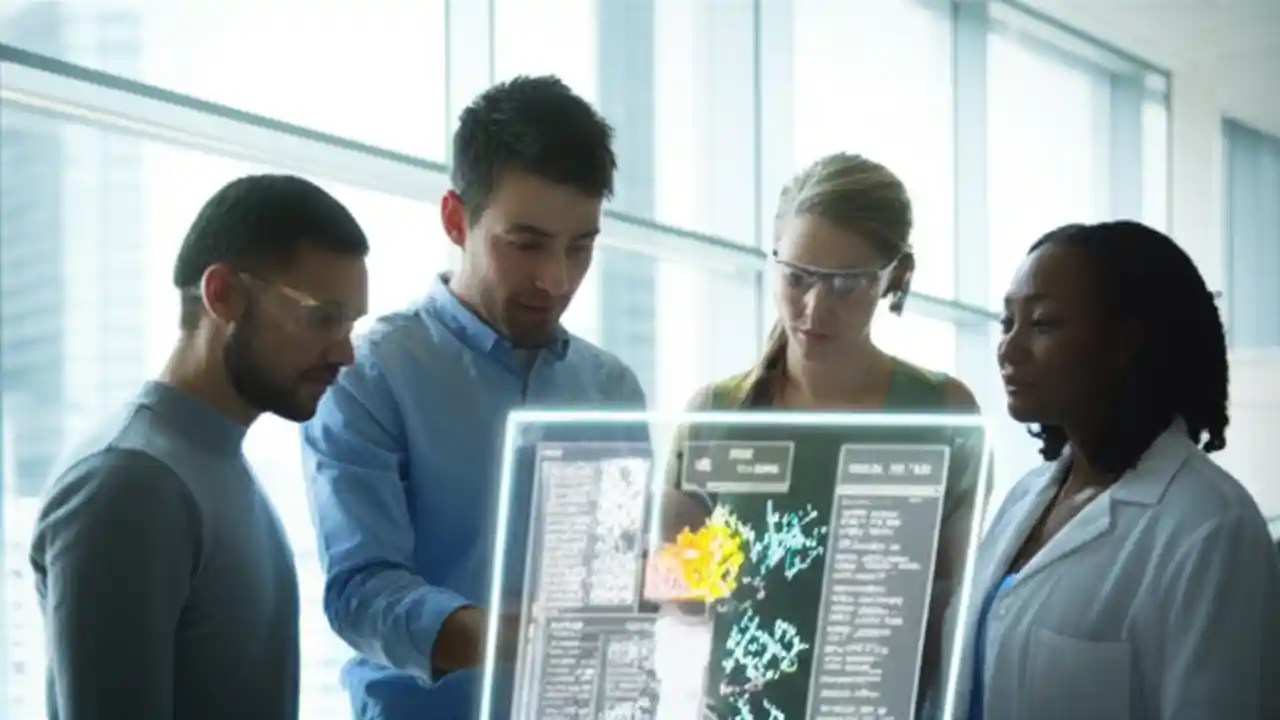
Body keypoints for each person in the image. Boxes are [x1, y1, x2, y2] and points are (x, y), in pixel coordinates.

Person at [300, 75, 646, 720]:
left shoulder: (613, 390)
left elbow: (622, 576)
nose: (556, 280)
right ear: (456, 220)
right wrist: (531, 638)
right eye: (526, 244)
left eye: (581, 247)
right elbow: (361, 594)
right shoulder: (368, 375)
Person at [28, 174, 370, 720]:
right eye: (323, 318)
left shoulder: (211, 466)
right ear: (223, 295)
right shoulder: (131, 485)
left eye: (349, 324)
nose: (345, 353)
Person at [654, 152, 983, 718]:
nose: (813, 308)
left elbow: (950, 611)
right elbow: (684, 602)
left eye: (846, 284)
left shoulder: (942, 414)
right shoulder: (716, 415)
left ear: (896, 276)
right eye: (798, 277)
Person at [956, 221, 1280, 719]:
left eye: (1042, 323)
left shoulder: (1211, 527)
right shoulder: (1027, 497)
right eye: (1007, 323)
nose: (1009, 349)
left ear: (1126, 342)